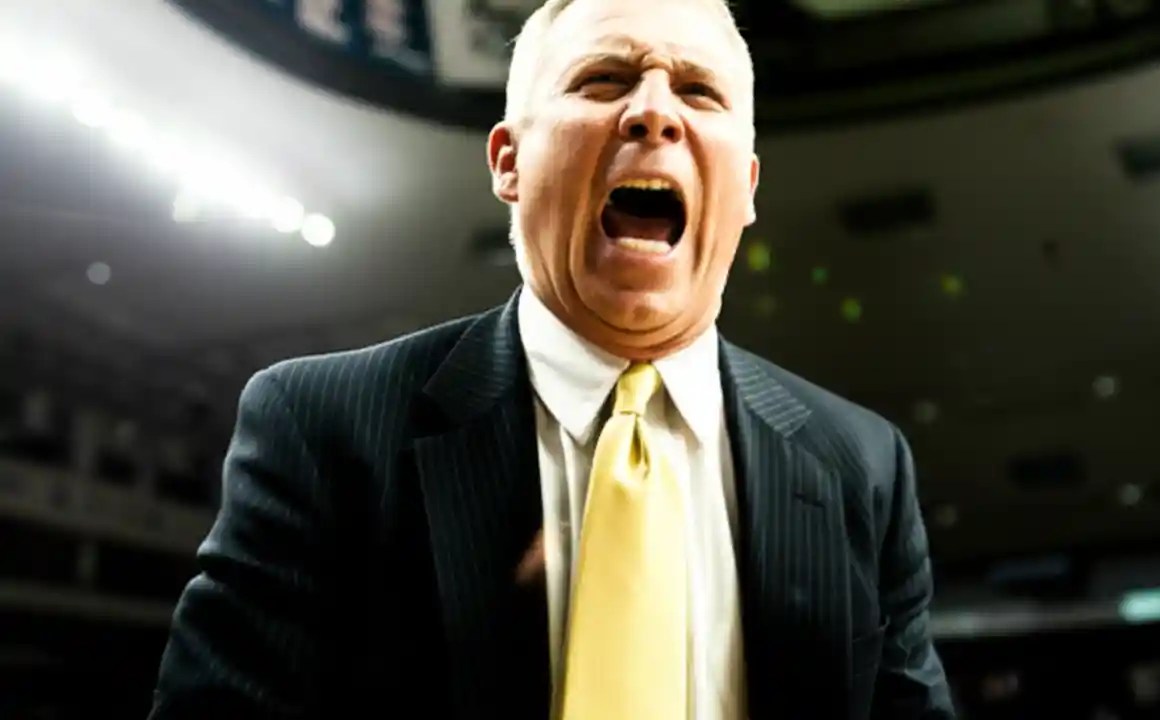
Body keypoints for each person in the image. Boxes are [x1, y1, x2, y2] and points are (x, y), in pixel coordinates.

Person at [148, 0, 955, 717]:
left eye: (698, 92)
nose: (653, 113)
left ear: (745, 187)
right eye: (604, 80)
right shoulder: (324, 426)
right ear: (508, 161)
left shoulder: (864, 464)